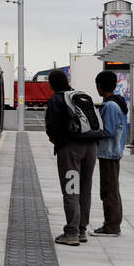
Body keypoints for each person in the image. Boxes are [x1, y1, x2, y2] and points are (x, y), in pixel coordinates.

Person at [44, 69, 99, 246]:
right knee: (85, 188)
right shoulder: (81, 95)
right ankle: (82, 230)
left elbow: (51, 127)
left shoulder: (56, 99)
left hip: (71, 148)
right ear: (67, 81)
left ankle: (71, 232)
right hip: (91, 146)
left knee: (71, 189)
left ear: (51, 84)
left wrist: (56, 140)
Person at [92, 71, 127, 236]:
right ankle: (112, 224)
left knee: (109, 190)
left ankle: (111, 226)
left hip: (109, 152)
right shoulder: (117, 102)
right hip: (112, 152)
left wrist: (92, 133)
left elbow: (109, 130)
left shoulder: (110, 106)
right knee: (111, 189)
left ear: (99, 86)